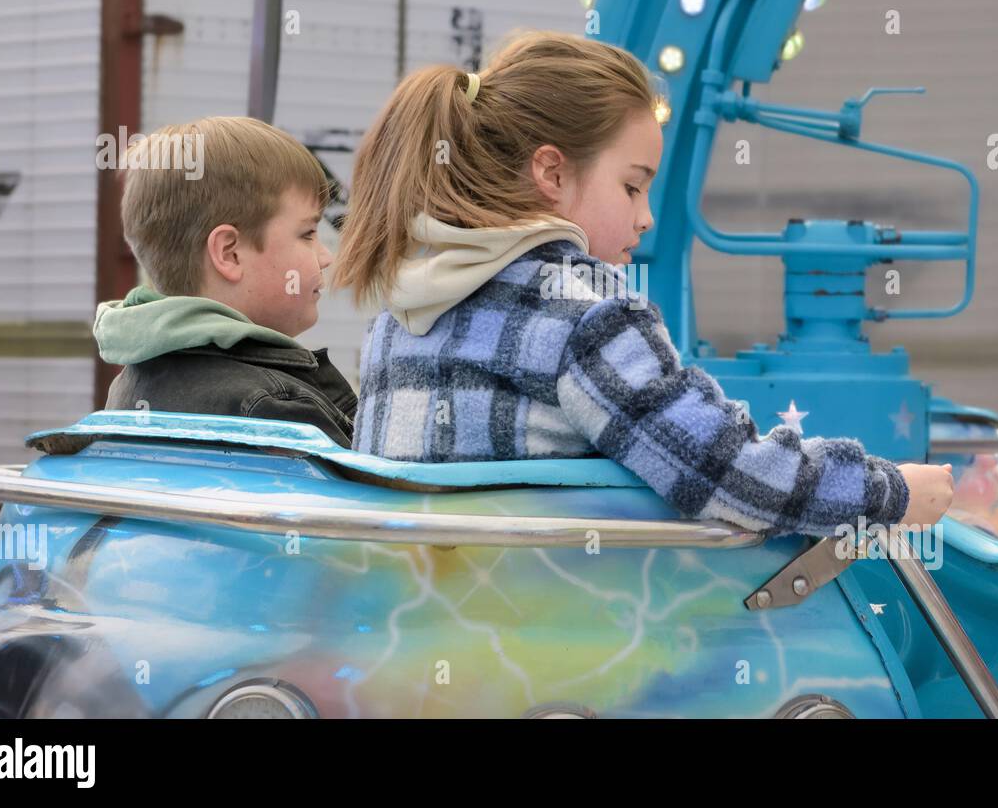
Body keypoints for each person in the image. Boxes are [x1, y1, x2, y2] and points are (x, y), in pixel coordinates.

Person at [331, 31, 953, 535]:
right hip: (561, 653)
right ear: (550, 171)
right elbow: (729, 473)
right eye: (632, 185)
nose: (646, 216)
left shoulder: (396, 316)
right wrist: (887, 491)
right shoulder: (586, 316)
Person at [94, 116, 356, 446]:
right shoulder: (278, 409)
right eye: (307, 234)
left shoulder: (129, 387)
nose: (325, 257)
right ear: (229, 253)